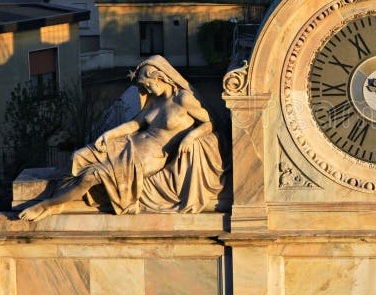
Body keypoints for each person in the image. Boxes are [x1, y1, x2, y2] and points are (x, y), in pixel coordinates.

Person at [19, 55, 225, 221]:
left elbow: (211, 122)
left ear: (161, 77)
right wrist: (109, 135)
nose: (147, 90)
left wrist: (191, 136)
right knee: (78, 156)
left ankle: (48, 206)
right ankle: (58, 195)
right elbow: (136, 124)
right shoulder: (155, 101)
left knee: (90, 176)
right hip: (127, 145)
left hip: (145, 159)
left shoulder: (184, 100)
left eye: (149, 85)